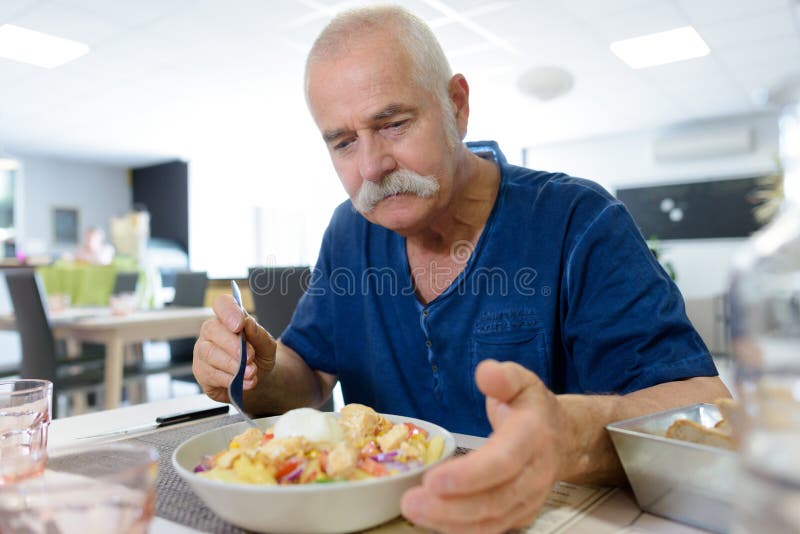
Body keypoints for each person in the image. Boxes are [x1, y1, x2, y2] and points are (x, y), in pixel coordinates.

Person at [193, 6, 730, 533]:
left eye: (395, 123)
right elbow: (307, 380)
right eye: (344, 142)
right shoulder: (348, 232)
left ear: (456, 105)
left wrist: (573, 435)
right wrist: (257, 372)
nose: (371, 166)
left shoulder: (578, 221)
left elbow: (705, 403)